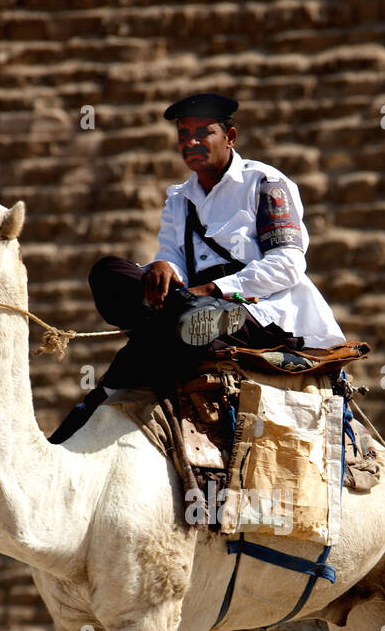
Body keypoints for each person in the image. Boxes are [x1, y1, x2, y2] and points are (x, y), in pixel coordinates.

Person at [48, 91, 344, 444]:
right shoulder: (179, 198)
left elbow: (287, 264)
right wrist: (163, 267)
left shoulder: (265, 184)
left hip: (260, 310)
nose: (191, 142)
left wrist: (215, 290)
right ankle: (177, 322)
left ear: (229, 138)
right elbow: (174, 255)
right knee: (109, 271)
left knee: (186, 321)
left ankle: (103, 396)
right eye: (183, 134)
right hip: (191, 304)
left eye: (203, 133)